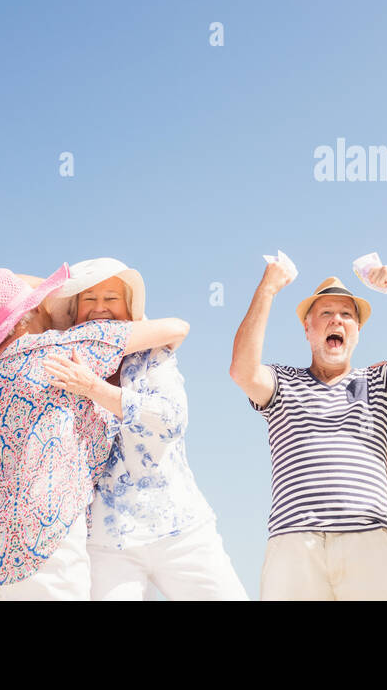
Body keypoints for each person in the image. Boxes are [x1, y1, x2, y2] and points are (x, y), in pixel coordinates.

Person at [0, 265, 182, 600]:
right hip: (38, 533)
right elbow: (177, 328)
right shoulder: (68, 344)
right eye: (40, 303)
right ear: (30, 311)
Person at [229, 264, 387, 600]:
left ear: (357, 330)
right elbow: (242, 370)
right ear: (307, 328)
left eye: (347, 314)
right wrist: (268, 289)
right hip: (294, 543)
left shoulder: (378, 381)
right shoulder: (283, 381)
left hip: (368, 541)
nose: (337, 320)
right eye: (326, 313)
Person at [38, 257, 248, 600]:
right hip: (105, 542)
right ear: (74, 312)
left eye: (111, 298)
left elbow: (170, 419)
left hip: (180, 527)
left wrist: (94, 388)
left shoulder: (152, 355)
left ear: (129, 307)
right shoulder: (59, 366)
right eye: (88, 299)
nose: (99, 308)